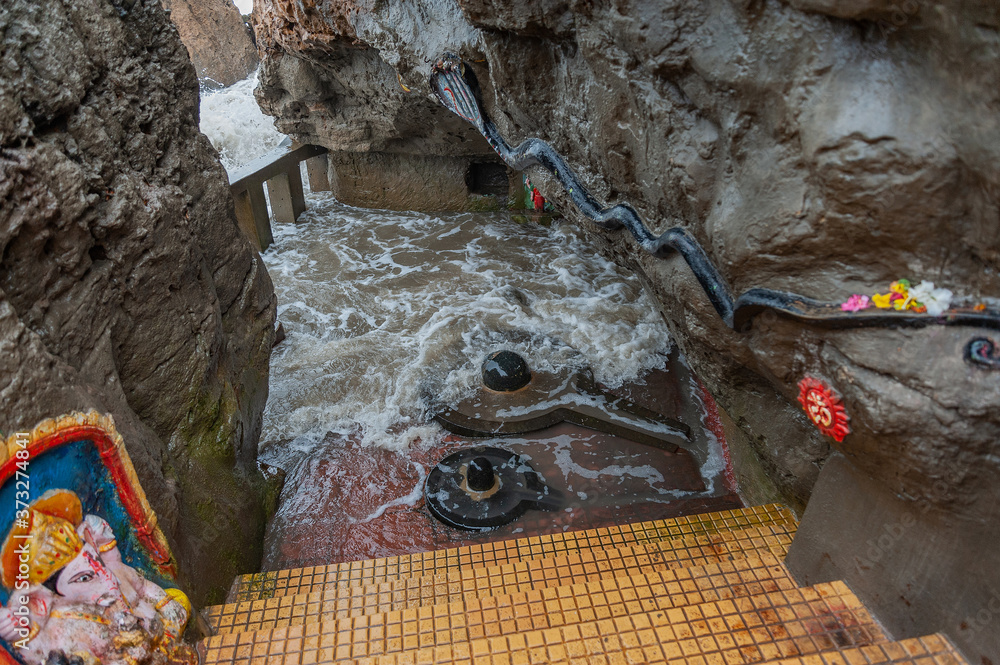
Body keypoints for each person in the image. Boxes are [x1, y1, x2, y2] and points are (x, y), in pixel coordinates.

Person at [0, 490, 196, 665]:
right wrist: (21, 636)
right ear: (48, 596)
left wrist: (165, 635)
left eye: (98, 562)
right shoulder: (64, 627)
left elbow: (173, 605)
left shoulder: (118, 573)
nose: (109, 581)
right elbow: (41, 652)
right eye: (84, 578)